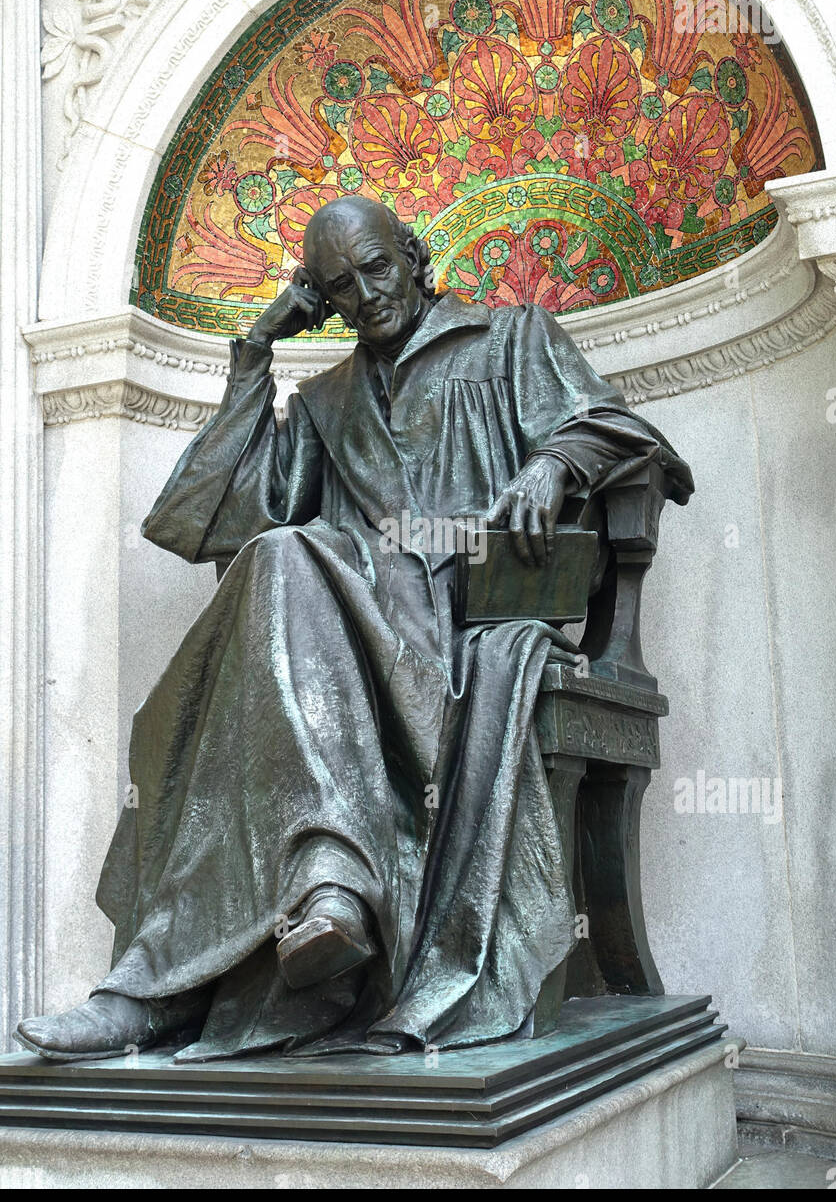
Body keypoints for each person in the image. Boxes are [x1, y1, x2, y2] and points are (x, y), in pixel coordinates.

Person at [17, 195, 692, 1063]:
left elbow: (629, 432)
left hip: (461, 621)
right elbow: (204, 520)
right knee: (281, 558)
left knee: (291, 560)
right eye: (340, 287)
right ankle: (314, 899)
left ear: (413, 256)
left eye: (377, 268)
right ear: (320, 300)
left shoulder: (515, 339)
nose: (368, 295)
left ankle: (161, 990)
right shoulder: (324, 403)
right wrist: (254, 354)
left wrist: (554, 466)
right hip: (340, 638)